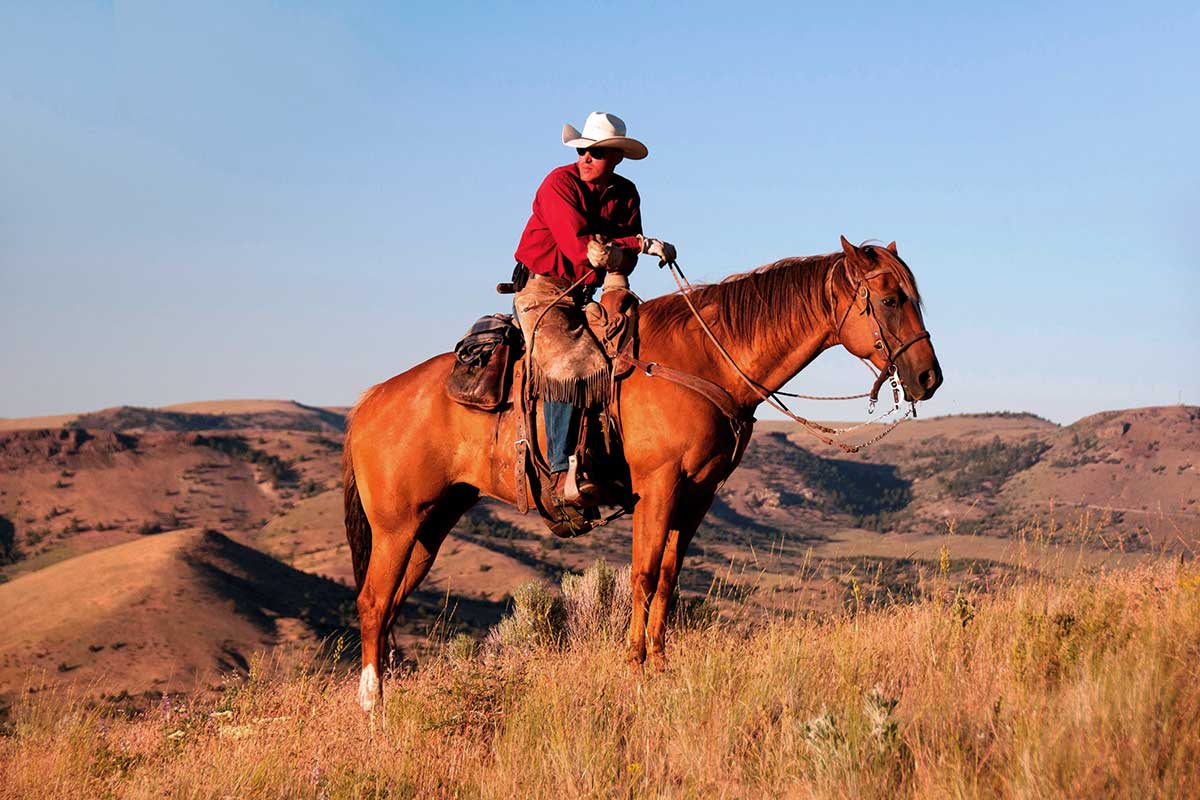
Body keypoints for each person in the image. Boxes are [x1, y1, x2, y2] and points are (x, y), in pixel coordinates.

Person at [513, 111, 676, 505]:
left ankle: (616, 461)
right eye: (583, 151)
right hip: (542, 292)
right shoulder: (559, 183)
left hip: (587, 296)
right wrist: (638, 245)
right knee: (571, 362)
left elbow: (620, 263)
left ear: (616, 157)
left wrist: (621, 271)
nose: (585, 158)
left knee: (632, 355)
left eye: (596, 153)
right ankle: (557, 472)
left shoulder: (626, 193)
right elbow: (585, 250)